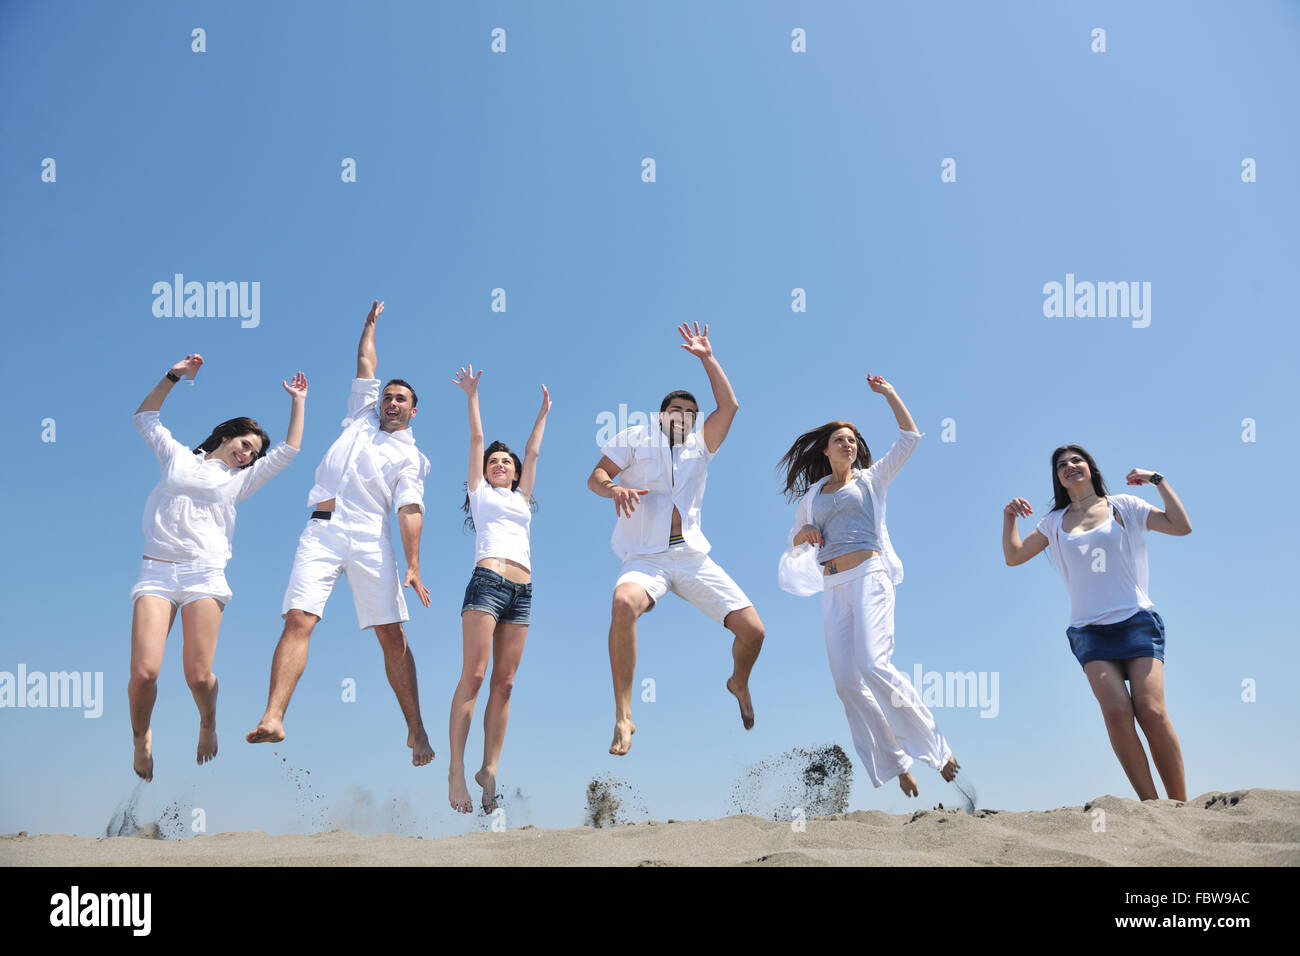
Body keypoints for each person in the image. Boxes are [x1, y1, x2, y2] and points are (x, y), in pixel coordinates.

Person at [246, 300, 435, 767]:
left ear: (413, 412)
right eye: (387, 397)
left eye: (400, 400)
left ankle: (416, 730)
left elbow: (410, 509)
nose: (390, 403)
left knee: (392, 636)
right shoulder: (359, 417)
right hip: (322, 531)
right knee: (298, 618)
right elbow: (366, 362)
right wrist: (368, 327)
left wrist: (413, 565)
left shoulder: (412, 457)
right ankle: (273, 716)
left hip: (371, 537)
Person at [777, 376, 961, 799]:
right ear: (826, 449)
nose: (849, 445)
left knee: (873, 663)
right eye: (841, 440)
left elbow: (910, 438)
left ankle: (938, 749)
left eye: (853, 440)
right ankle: (898, 764)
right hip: (833, 585)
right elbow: (793, 535)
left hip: (869, 577)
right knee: (845, 680)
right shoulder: (814, 494)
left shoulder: (872, 480)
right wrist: (803, 531)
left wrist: (890, 394)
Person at [587, 322, 765, 756]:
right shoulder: (633, 438)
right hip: (644, 557)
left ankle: (737, 681)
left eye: (691, 411)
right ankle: (624, 716)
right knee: (622, 604)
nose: (683, 415)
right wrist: (615, 489)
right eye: (676, 409)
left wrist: (707, 358)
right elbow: (595, 477)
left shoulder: (702, 445)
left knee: (754, 633)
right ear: (661, 414)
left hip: (690, 555)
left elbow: (731, 405)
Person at [130, 353, 304, 781]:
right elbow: (146, 416)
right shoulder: (178, 458)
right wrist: (174, 375)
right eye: (244, 444)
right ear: (226, 436)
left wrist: (298, 401)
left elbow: (289, 451)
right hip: (156, 572)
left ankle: (207, 721)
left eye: (253, 453)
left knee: (197, 676)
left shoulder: (239, 481)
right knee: (145, 671)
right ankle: (141, 739)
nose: (247, 455)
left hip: (204, 576)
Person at [1002, 444, 1191, 801]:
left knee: (1150, 711)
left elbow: (1181, 526)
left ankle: (1181, 805)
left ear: (1090, 467)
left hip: (1136, 620)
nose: (1070, 466)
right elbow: (1013, 556)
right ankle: (1152, 808)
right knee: (1118, 713)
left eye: (1077, 460)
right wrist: (1009, 517)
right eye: (1061, 465)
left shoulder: (1124, 506)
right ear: (1057, 477)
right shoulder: (1053, 523)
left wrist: (1157, 480)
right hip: (1089, 632)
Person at [447, 366, 550, 813]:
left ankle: (489, 770)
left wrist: (543, 411)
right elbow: (474, 439)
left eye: (506, 462)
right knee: (474, 674)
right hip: (487, 585)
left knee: (505, 685)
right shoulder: (480, 493)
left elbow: (533, 450)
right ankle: (455, 769)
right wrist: (472, 395)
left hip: (522, 591)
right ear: (485, 472)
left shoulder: (522, 499)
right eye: (494, 462)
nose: (500, 464)